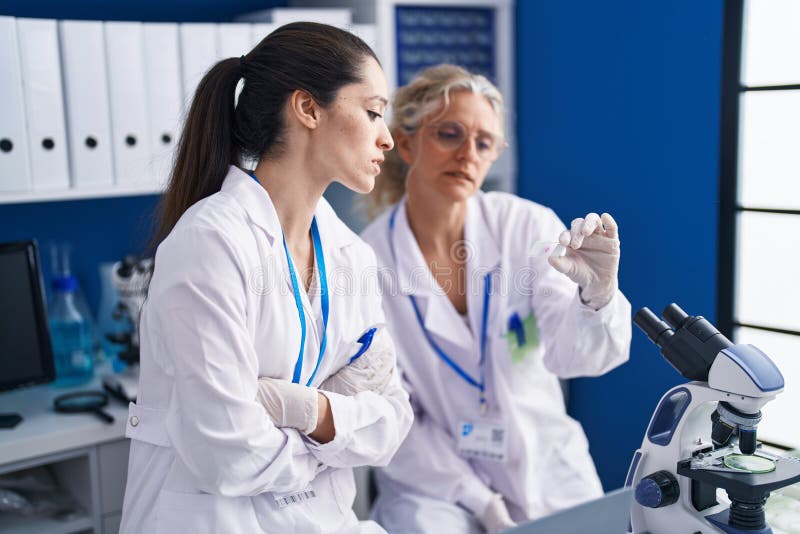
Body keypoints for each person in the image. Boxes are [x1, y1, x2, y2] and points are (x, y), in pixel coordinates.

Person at [119, 23, 413, 534]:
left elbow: (392, 424)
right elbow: (226, 453)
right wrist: (333, 434)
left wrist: (299, 408)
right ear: (307, 108)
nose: (387, 137)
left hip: (322, 521)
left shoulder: (352, 257)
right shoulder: (210, 243)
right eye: (371, 112)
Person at [360, 64, 632, 533]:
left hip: (544, 464)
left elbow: (578, 358)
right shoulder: (367, 261)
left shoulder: (527, 228)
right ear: (405, 144)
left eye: (484, 143)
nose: (468, 154)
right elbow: (394, 414)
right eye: (449, 134)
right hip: (435, 488)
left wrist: (597, 294)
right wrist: (479, 502)